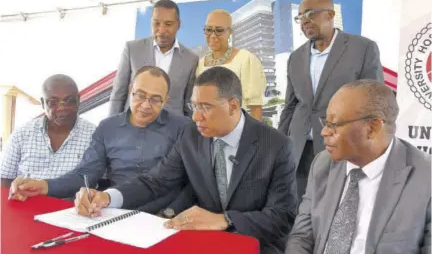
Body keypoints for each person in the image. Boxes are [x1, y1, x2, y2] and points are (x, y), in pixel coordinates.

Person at [73, 67, 297, 254]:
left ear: (233, 106)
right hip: (200, 242)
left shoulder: (276, 145)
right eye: (194, 106)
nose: (196, 117)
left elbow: (282, 217)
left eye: (205, 107)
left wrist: (225, 220)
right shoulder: (191, 135)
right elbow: (156, 181)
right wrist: (106, 197)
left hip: (254, 244)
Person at [9, 66, 193, 214]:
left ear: (166, 100)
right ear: (130, 90)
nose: (145, 105)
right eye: (140, 95)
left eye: (155, 99)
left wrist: (172, 211)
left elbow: (191, 180)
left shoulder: (183, 128)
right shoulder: (107, 127)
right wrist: (44, 186)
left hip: (164, 215)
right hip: (112, 210)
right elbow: (86, 174)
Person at [285, 80, 431, 254]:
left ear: (372, 128)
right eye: (325, 122)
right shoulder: (323, 164)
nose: (324, 132)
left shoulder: (425, 176)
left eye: (334, 125)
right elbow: (302, 237)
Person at [278, 0, 384, 198]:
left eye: (310, 13)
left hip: (343, 145)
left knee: (337, 204)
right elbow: (290, 106)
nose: (304, 21)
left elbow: (375, 99)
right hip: (300, 149)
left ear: (330, 14)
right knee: (301, 207)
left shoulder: (362, 48)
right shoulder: (295, 57)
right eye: (300, 17)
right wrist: (280, 144)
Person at [109, 0, 198, 117]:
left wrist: (188, 132)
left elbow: (188, 104)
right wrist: (112, 128)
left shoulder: (190, 59)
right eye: (156, 23)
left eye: (168, 24)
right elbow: (118, 94)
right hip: (133, 127)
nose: (161, 30)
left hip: (171, 131)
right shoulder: (132, 49)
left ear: (178, 25)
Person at [0, 75, 95, 186]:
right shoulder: (22, 134)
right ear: (43, 103)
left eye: (69, 101)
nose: (62, 108)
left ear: (78, 100)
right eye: (53, 102)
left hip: (72, 202)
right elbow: (4, 180)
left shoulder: (94, 136)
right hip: (25, 201)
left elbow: (95, 184)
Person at [196, 9, 267, 121]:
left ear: (230, 32)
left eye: (219, 30)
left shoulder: (245, 59)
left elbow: (255, 107)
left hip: (236, 129)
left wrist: (255, 136)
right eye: (208, 30)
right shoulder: (200, 63)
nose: (213, 35)